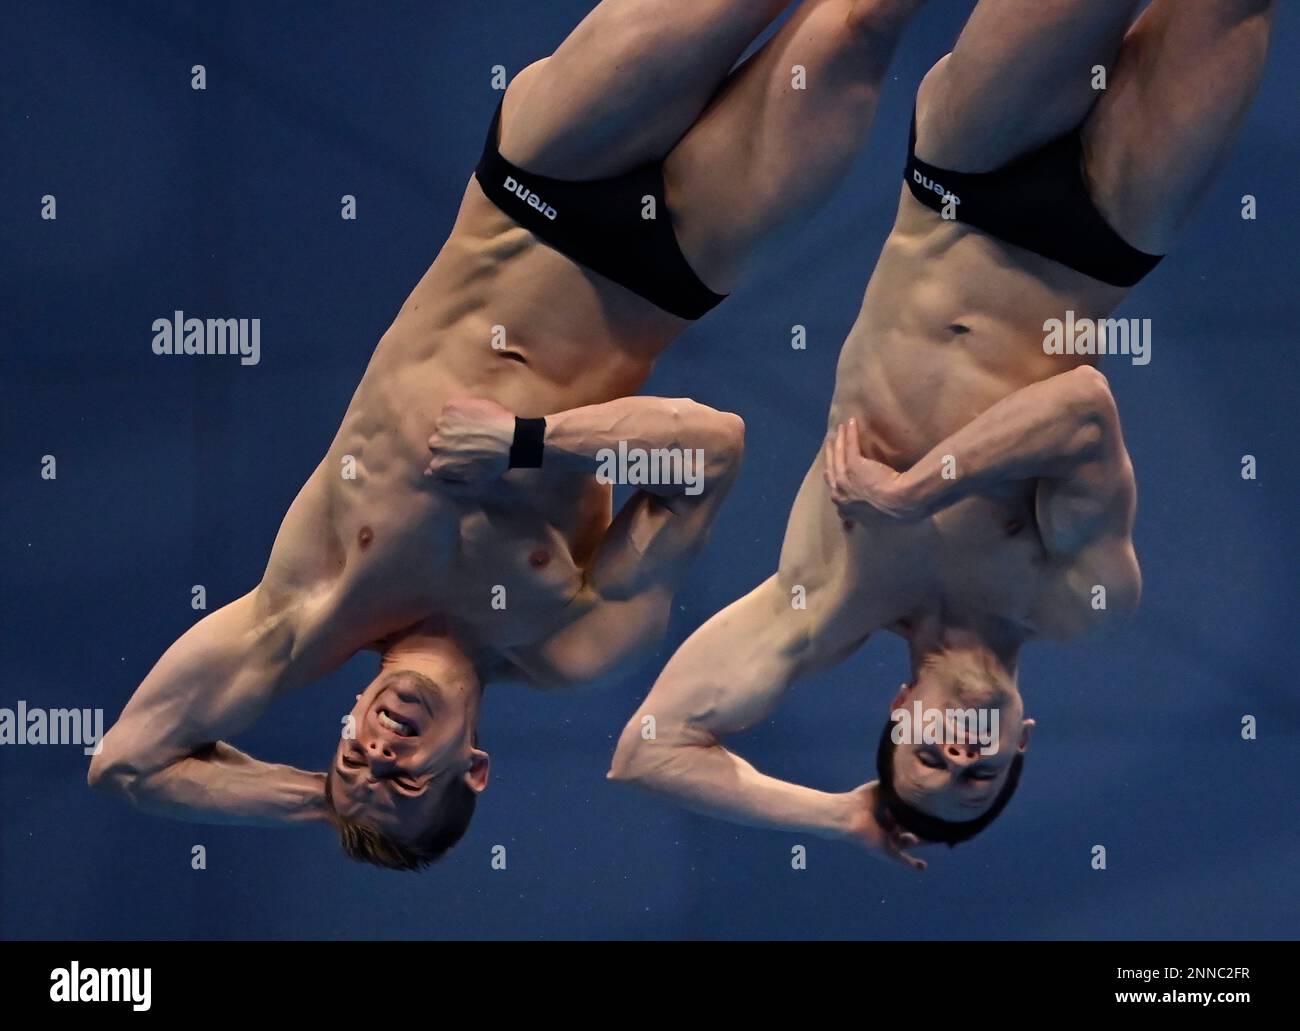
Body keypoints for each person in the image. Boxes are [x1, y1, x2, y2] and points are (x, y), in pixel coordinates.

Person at [89, 0, 931, 869]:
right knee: (860, 25)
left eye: (353, 758)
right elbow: (710, 447)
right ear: (476, 766)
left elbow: (126, 763)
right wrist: (526, 442)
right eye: (405, 777)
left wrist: (328, 803)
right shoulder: (568, 641)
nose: (378, 751)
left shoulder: (311, 606)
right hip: (684, 258)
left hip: (538, 183)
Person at [610, 0, 1276, 869]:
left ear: (898, 710)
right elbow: (1083, 408)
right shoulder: (1079, 605)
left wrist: (837, 816)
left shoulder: (826, 598)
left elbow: (647, 750)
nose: (961, 754)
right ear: (1022, 743)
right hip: (1111, 235)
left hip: (965, 181)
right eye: (979, 775)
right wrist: (914, 489)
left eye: (929, 756)